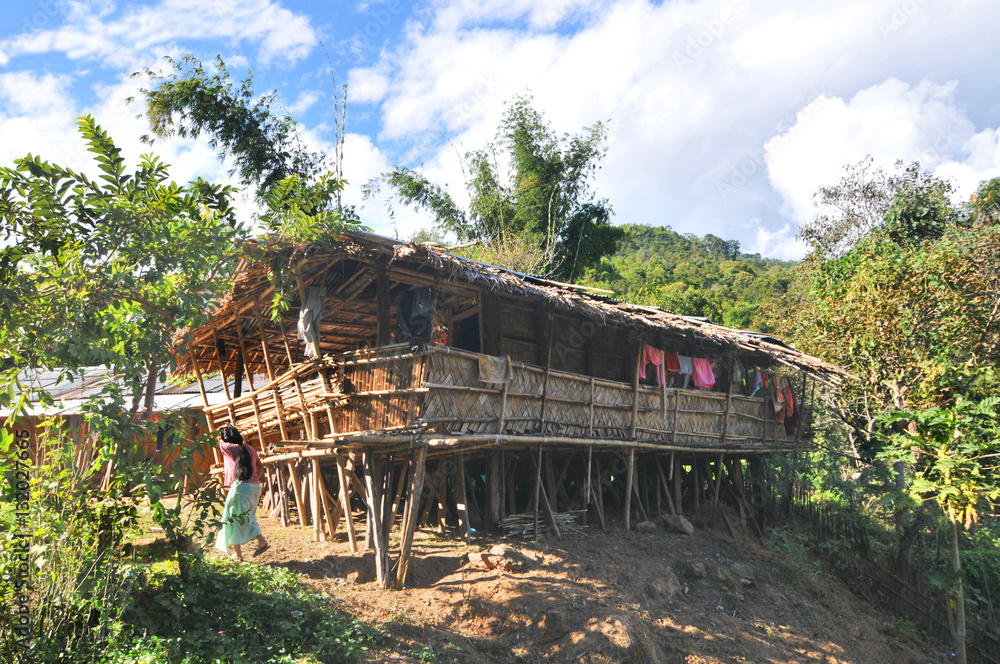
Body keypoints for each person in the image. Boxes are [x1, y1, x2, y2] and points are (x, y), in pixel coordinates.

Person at [214, 425, 269, 560]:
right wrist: (255, 478)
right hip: (255, 486)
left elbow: (210, 440)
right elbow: (260, 466)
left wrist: (219, 429)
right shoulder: (250, 448)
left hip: (241, 487)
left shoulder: (228, 447)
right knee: (249, 516)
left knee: (233, 518)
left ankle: (237, 554)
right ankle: (261, 541)